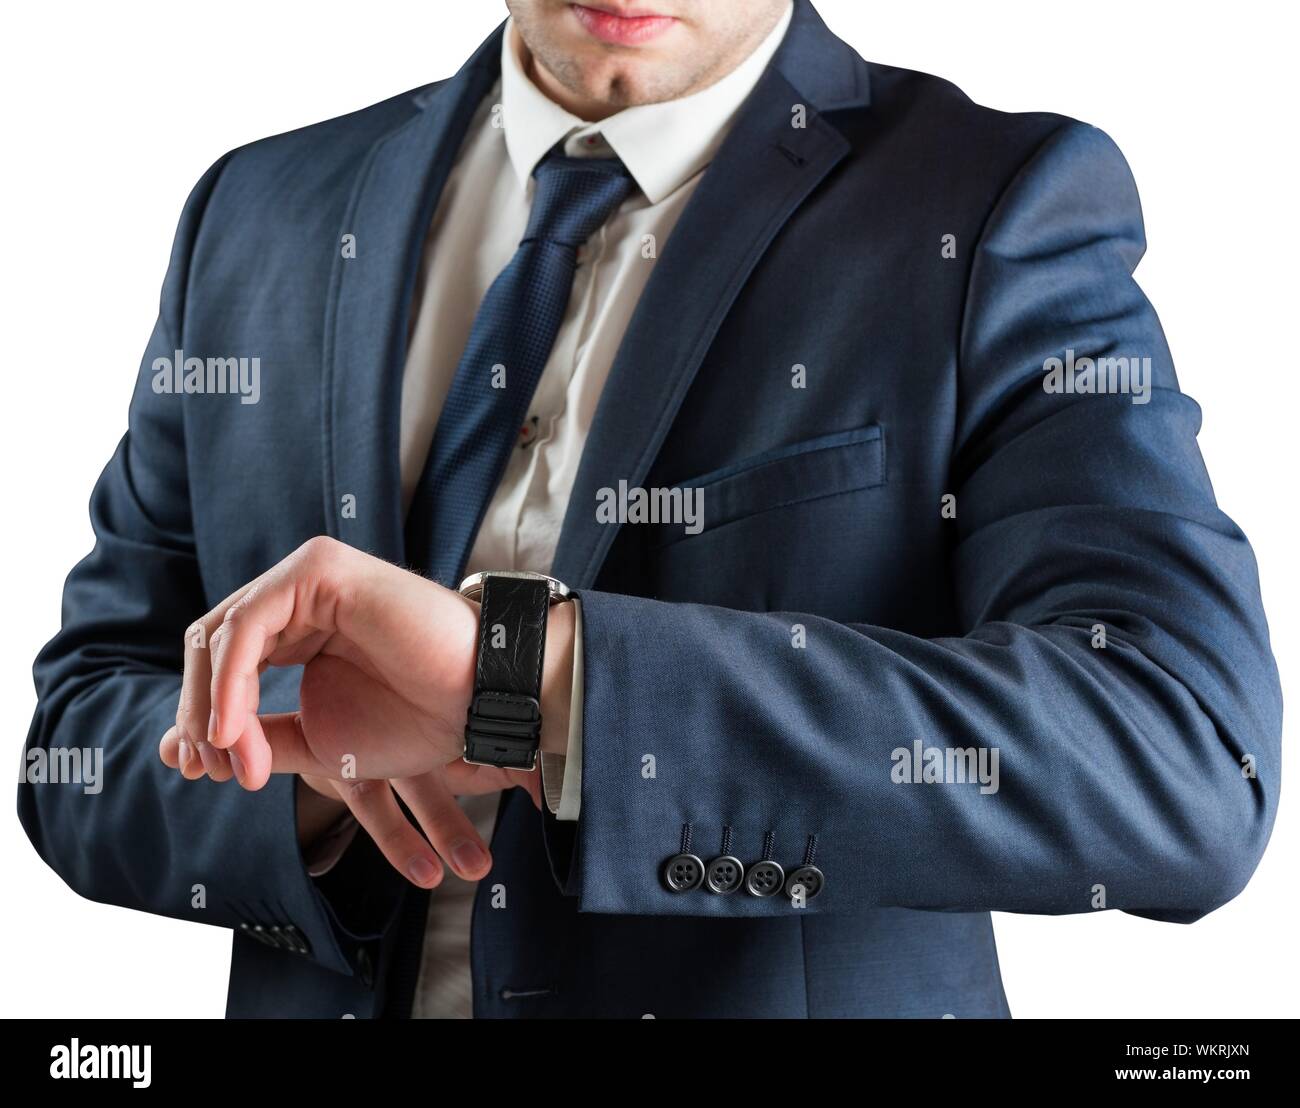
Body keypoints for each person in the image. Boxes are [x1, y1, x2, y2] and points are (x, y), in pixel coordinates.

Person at [20, 0, 1281, 1018]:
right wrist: (298, 768)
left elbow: (1180, 755)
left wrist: (531, 677)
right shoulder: (257, 209)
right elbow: (75, 737)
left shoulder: (994, 207)